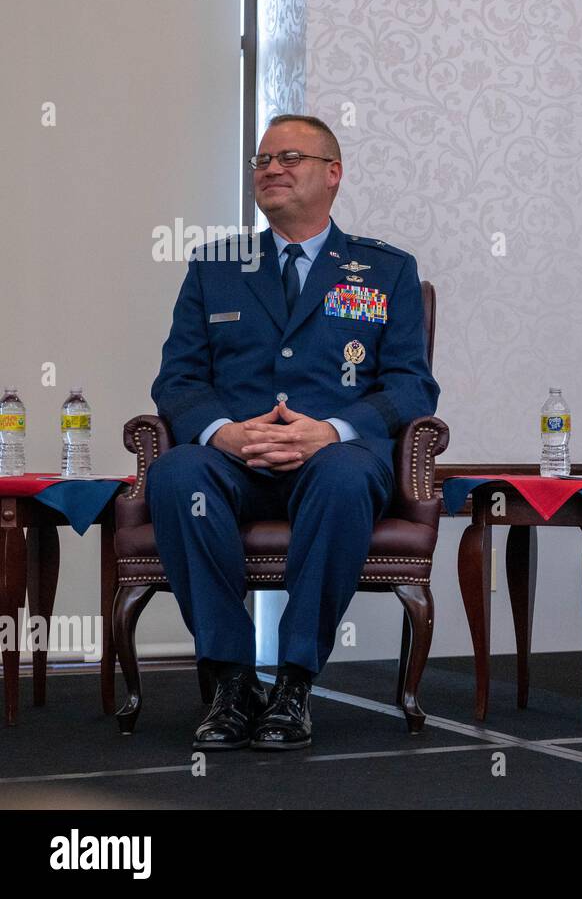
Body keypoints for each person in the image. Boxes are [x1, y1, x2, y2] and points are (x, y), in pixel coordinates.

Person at [148, 114, 440, 751]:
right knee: (176, 473)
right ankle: (231, 682)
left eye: (289, 158)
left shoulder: (383, 270)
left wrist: (332, 431)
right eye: (261, 160)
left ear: (333, 175)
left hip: (331, 464)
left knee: (346, 472)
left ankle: (294, 683)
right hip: (235, 465)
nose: (270, 169)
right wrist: (221, 432)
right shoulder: (215, 267)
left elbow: (412, 387)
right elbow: (177, 381)